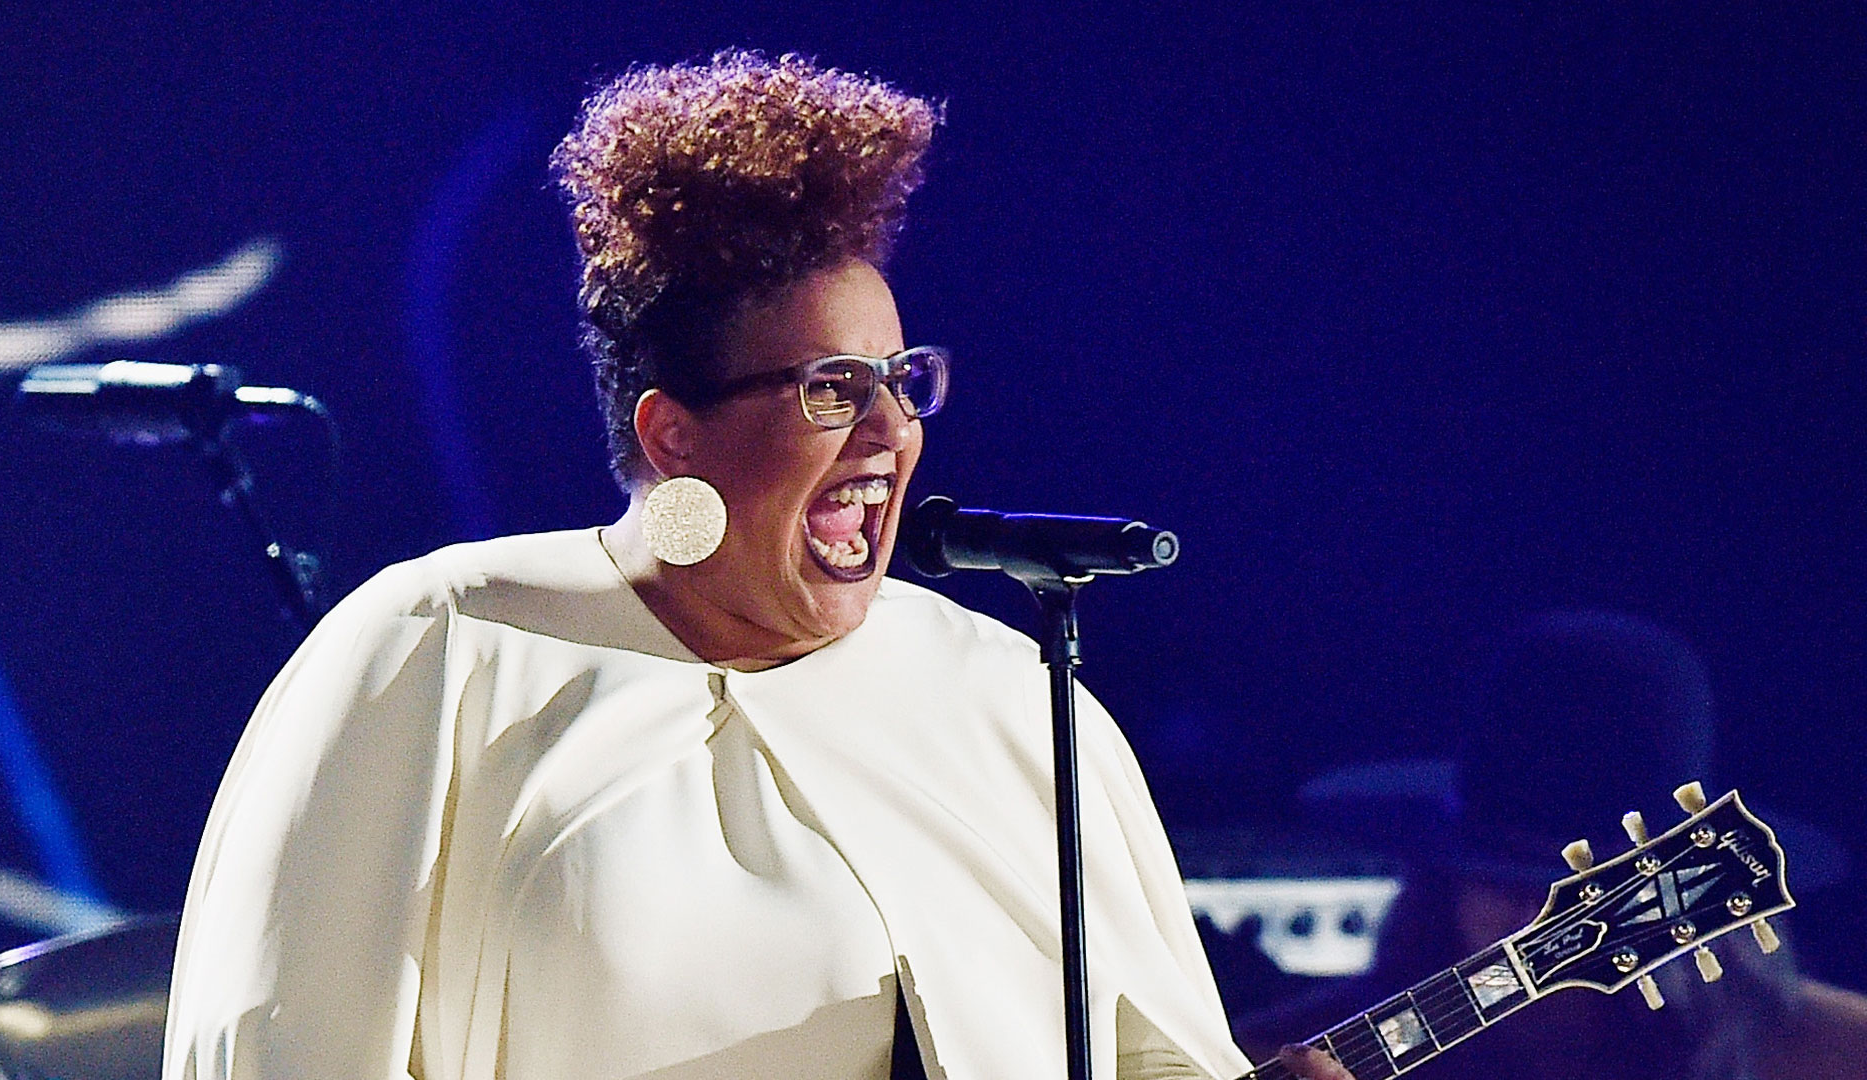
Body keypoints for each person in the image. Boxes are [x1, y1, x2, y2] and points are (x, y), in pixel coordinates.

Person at [161, 52, 1350, 1080]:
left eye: (903, 380)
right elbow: (277, 1045)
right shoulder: (440, 647)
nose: (891, 436)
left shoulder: (1010, 700)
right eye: (834, 389)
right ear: (672, 433)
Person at [1235, 610, 1867, 1078]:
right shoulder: (1278, 1050)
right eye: (1501, 878)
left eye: (1594, 889)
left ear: (1681, 905)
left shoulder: (1836, 1056)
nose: (1541, 919)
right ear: (1443, 880)